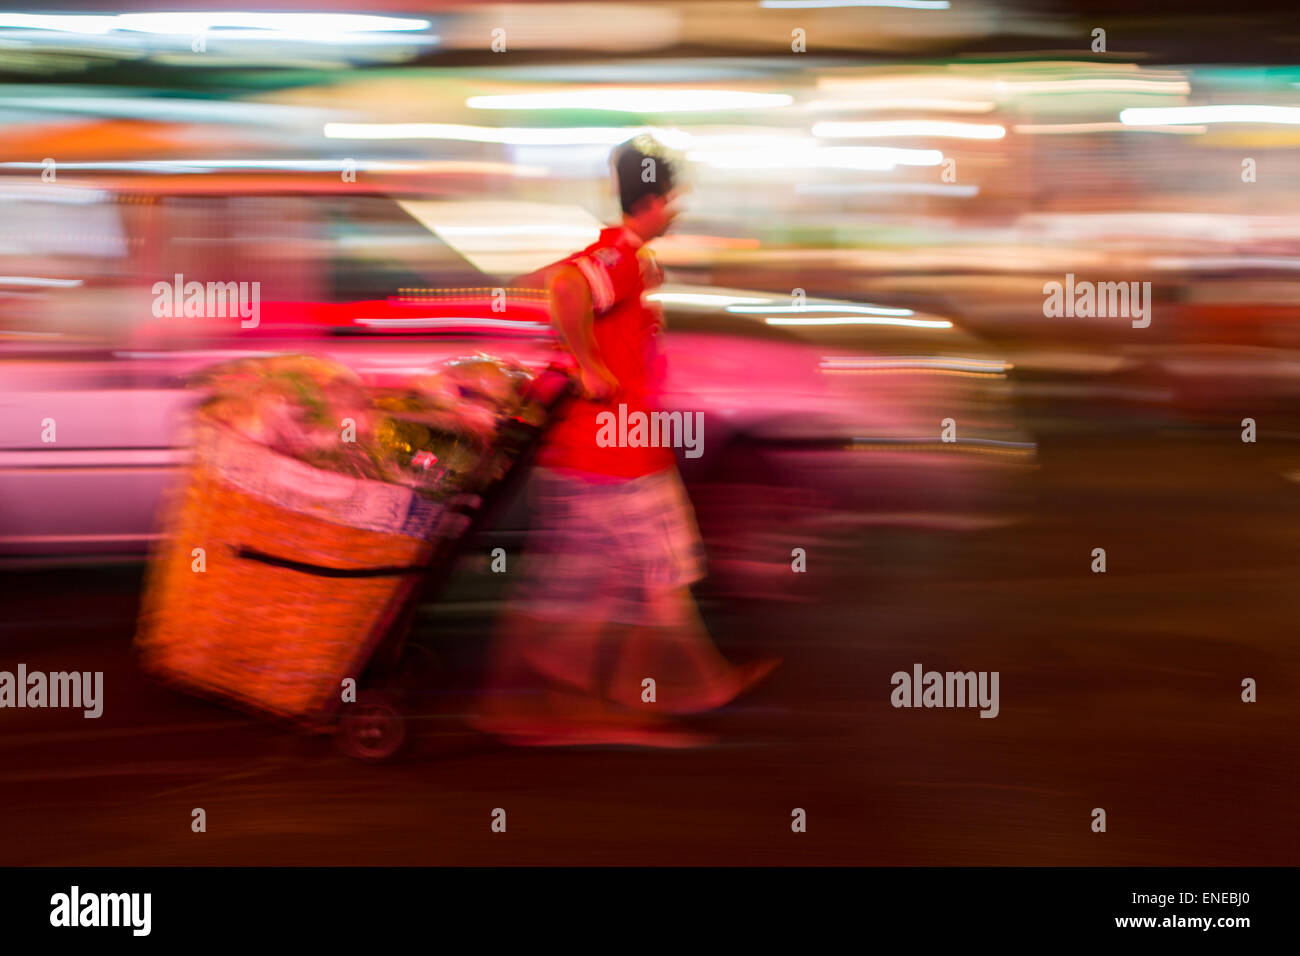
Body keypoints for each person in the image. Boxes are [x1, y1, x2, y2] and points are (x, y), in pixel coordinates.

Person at [475, 135, 778, 747]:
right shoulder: (620, 256)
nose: (679, 209)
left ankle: (579, 704)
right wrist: (587, 362)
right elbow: (565, 287)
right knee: (651, 578)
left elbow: (557, 286)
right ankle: (649, 699)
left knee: (603, 585)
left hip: (613, 451)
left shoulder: (629, 260)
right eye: (674, 198)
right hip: (608, 456)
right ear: (654, 200)